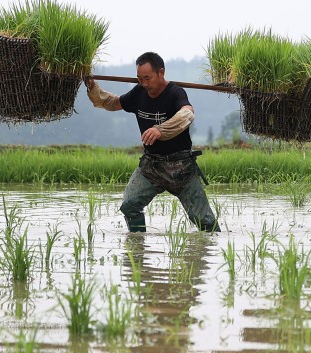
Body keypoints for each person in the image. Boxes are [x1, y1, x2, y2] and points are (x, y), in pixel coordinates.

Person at [85, 52, 219, 233]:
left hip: (180, 168)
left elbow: (188, 113)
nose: (144, 83)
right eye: (139, 79)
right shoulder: (139, 92)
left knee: (206, 222)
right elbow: (113, 103)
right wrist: (93, 88)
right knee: (130, 206)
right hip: (151, 166)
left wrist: (160, 130)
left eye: (147, 78)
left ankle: (213, 245)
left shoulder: (175, 93)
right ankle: (137, 243)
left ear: (161, 73)